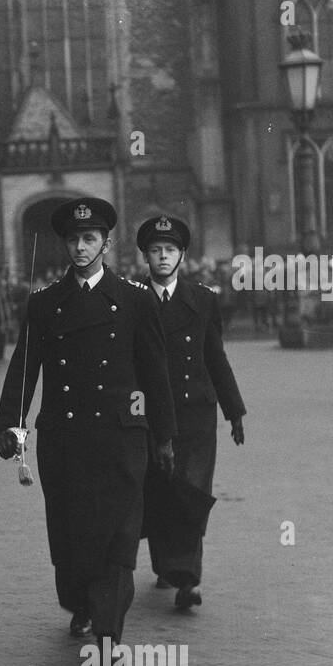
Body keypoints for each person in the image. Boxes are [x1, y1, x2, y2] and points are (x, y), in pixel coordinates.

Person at [0, 198, 175, 660]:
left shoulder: (135, 300)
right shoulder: (45, 305)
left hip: (120, 440)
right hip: (65, 442)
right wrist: (9, 427)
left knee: (117, 538)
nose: (80, 247)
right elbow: (24, 371)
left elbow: (156, 374)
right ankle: (80, 603)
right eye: (73, 239)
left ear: (106, 243)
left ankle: (109, 631)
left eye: (89, 239)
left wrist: (165, 436)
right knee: (73, 537)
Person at [136, 217, 246, 609]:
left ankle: (189, 579)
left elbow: (215, 357)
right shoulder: (134, 301)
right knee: (161, 489)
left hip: (196, 413)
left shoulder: (201, 299)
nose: (162, 257)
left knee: (192, 490)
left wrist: (234, 411)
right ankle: (167, 566)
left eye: (169, 250)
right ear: (145, 256)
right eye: (155, 250)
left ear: (182, 255)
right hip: (149, 415)